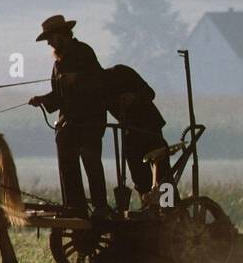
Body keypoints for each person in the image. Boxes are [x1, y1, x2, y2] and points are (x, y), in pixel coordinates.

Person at [28, 15, 110, 218]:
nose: (48, 43)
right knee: (66, 163)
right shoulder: (58, 64)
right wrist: (42, 100)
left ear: (61, 36)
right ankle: (75, 207)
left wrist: (78, 79)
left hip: (90, 120)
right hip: (69, 122)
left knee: (91, 161)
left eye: (50, 38)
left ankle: (101, 207)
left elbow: (100, 81)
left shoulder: (84, 52)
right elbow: (58, 96)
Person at [100, 63, 172, 205]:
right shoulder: (97, 90)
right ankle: (149, 209)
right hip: (131, 134)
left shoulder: (120, 72)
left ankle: (170, 210)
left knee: (162, 174)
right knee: (139, 177)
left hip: (150, 128)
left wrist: (134, 96)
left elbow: (149, 93)